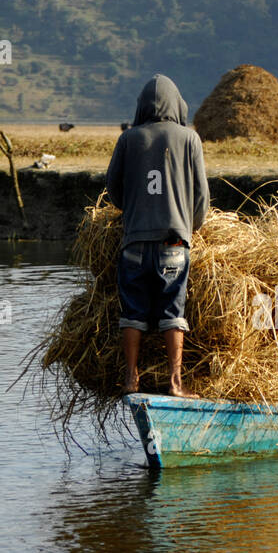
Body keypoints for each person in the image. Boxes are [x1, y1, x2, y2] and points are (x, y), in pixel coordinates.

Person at [106, 74, 209, 397]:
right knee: (172, 311)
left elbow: (114, 189)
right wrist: (190, 228)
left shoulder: (128, 139)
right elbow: (201, 196)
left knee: (133, 312)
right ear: (177, 105)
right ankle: (176, 382)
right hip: (174, 241)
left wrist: (132, 212)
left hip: (134, 241)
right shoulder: (189, 139)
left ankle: (130, 379)